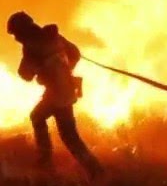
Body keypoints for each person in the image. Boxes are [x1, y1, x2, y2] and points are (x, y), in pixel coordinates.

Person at [7, 11, 104, 177]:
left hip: (57, 95)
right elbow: (75, 53)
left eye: (16, 34)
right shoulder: (54, 36)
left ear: (23, 30)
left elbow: (26, 75)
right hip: (64, 90)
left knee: (50, 125)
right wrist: (65, 70)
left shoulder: (32, 46)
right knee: (64, 133)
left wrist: (42, 69)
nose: (16, 38)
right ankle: (94, 170)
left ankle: (47, 160)